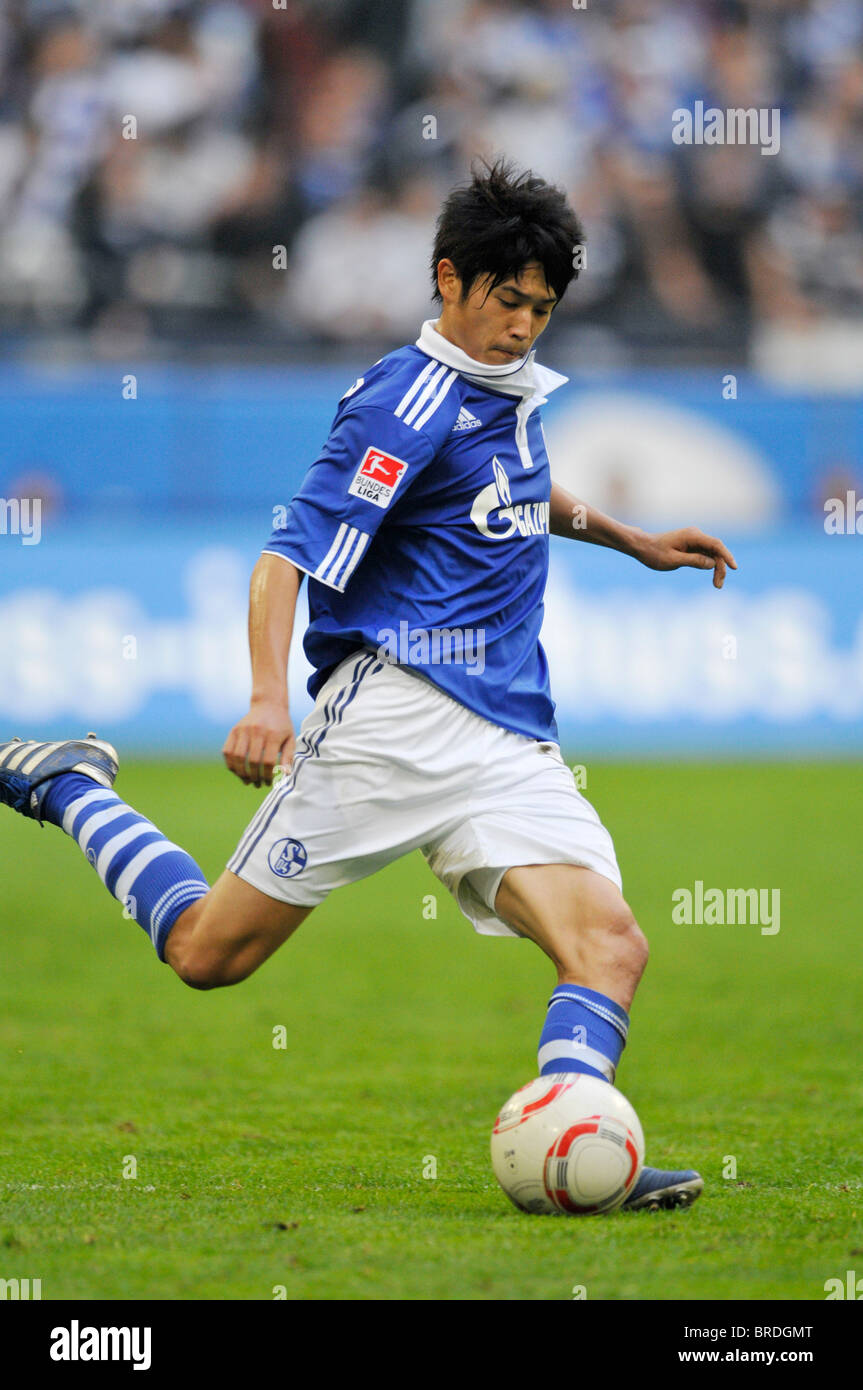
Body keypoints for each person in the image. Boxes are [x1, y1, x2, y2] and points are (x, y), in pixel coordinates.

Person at [0, 159, 736, 1211]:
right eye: (506, 302)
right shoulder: (404, 404)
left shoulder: (507, 389)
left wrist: (630, 540)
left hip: (505, 740)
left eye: (541, 307)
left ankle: (579, 1149)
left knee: (609, 944)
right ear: (449, 280)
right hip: (387, 721)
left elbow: (514, 495)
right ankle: (73, 785)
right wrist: (266, 700)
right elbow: (285, 557)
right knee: (209, 955)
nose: (524, 325)